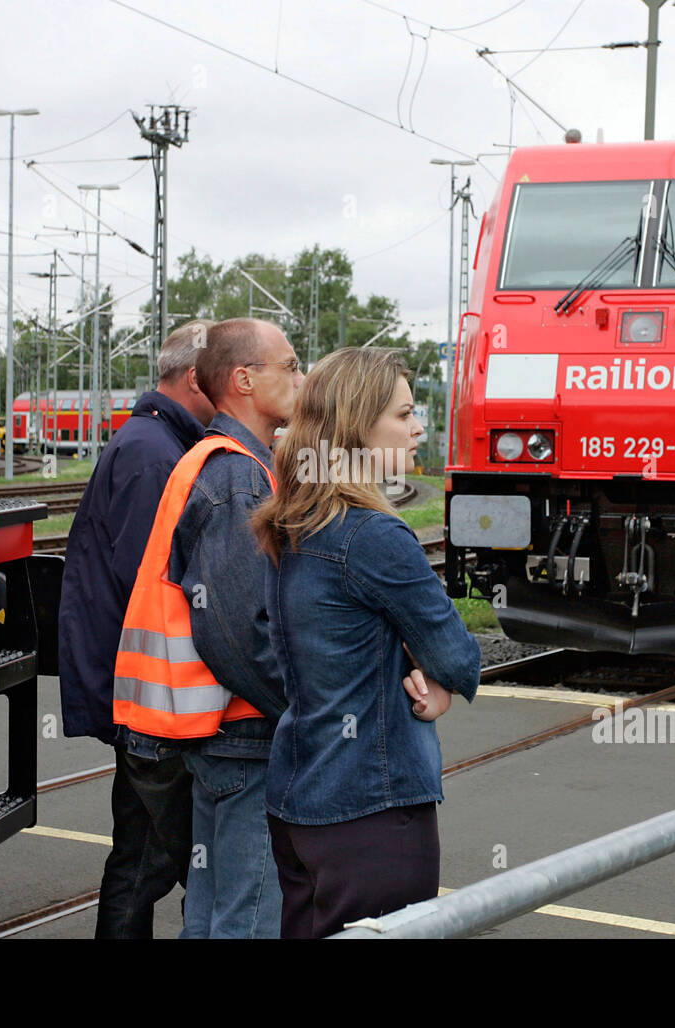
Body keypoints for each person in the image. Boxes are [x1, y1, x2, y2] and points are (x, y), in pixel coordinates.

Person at [252, 347, 481, 939]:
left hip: (298, 798)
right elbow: (459, 656)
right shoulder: (374, 535)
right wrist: (438, 679)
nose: (419, 428)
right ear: (358, 426)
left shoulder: (292, 524)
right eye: (404, 415)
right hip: (372, 807)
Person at [112, 317, 302, 938]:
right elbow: (239, 631)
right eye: (291, 365)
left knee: (211, 908)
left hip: (184, 724)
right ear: (245, 380)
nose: (301, 378)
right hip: (231, 730)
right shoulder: (239, 477)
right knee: (245, 919)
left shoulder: (212, 461)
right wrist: (302, 711)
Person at [57, 319, 216, 939]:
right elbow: (155, 584)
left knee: (146, 850)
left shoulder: (153, 443)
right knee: (149, 856)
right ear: (197, 379)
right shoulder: (156, 456)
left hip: (146, 691)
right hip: (154, 696)